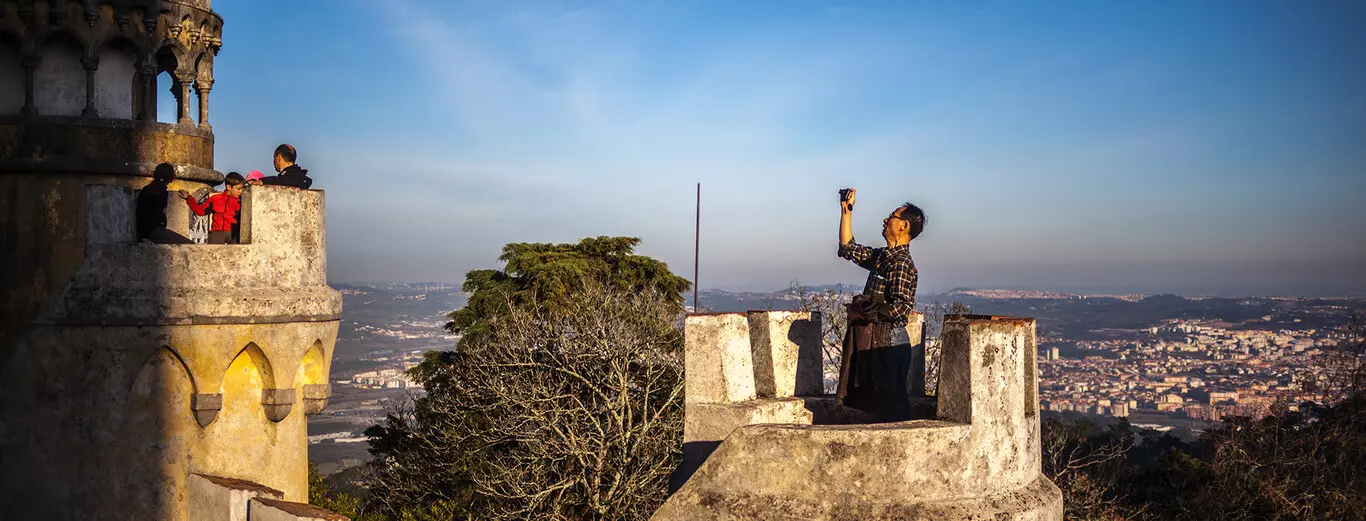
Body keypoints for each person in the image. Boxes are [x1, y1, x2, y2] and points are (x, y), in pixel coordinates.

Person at [834, 188, 925, 422]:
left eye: (892, 217)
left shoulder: (902, 263)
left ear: (903, 226)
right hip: (878, 335)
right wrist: (846, 211)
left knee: (890, 405)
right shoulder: (884, 257)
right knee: (875, 402)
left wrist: (867, 307)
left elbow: (901, 308)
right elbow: (849, 249)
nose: (886, 220)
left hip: (888, 341)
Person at [135, 163, 193, 244]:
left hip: (144, 231)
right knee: (190, 245)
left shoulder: (147, 188)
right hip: (153, 231)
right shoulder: (161, 190)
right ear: (170, 178)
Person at [180, 172, 245, 244]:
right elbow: (201, 211)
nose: (241, 191)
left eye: (242, 189)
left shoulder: (242, 201)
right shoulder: (215, 199)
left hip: (234, 233)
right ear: (229, 187)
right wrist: (188, 198)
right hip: (216, 233)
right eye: (238, 189)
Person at [248, 144, 312, 189]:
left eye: (274, 157)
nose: (273, 161)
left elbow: (286, 180)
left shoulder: (294, 177)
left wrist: (263, 182)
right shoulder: (300, 176)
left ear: (278, 158)